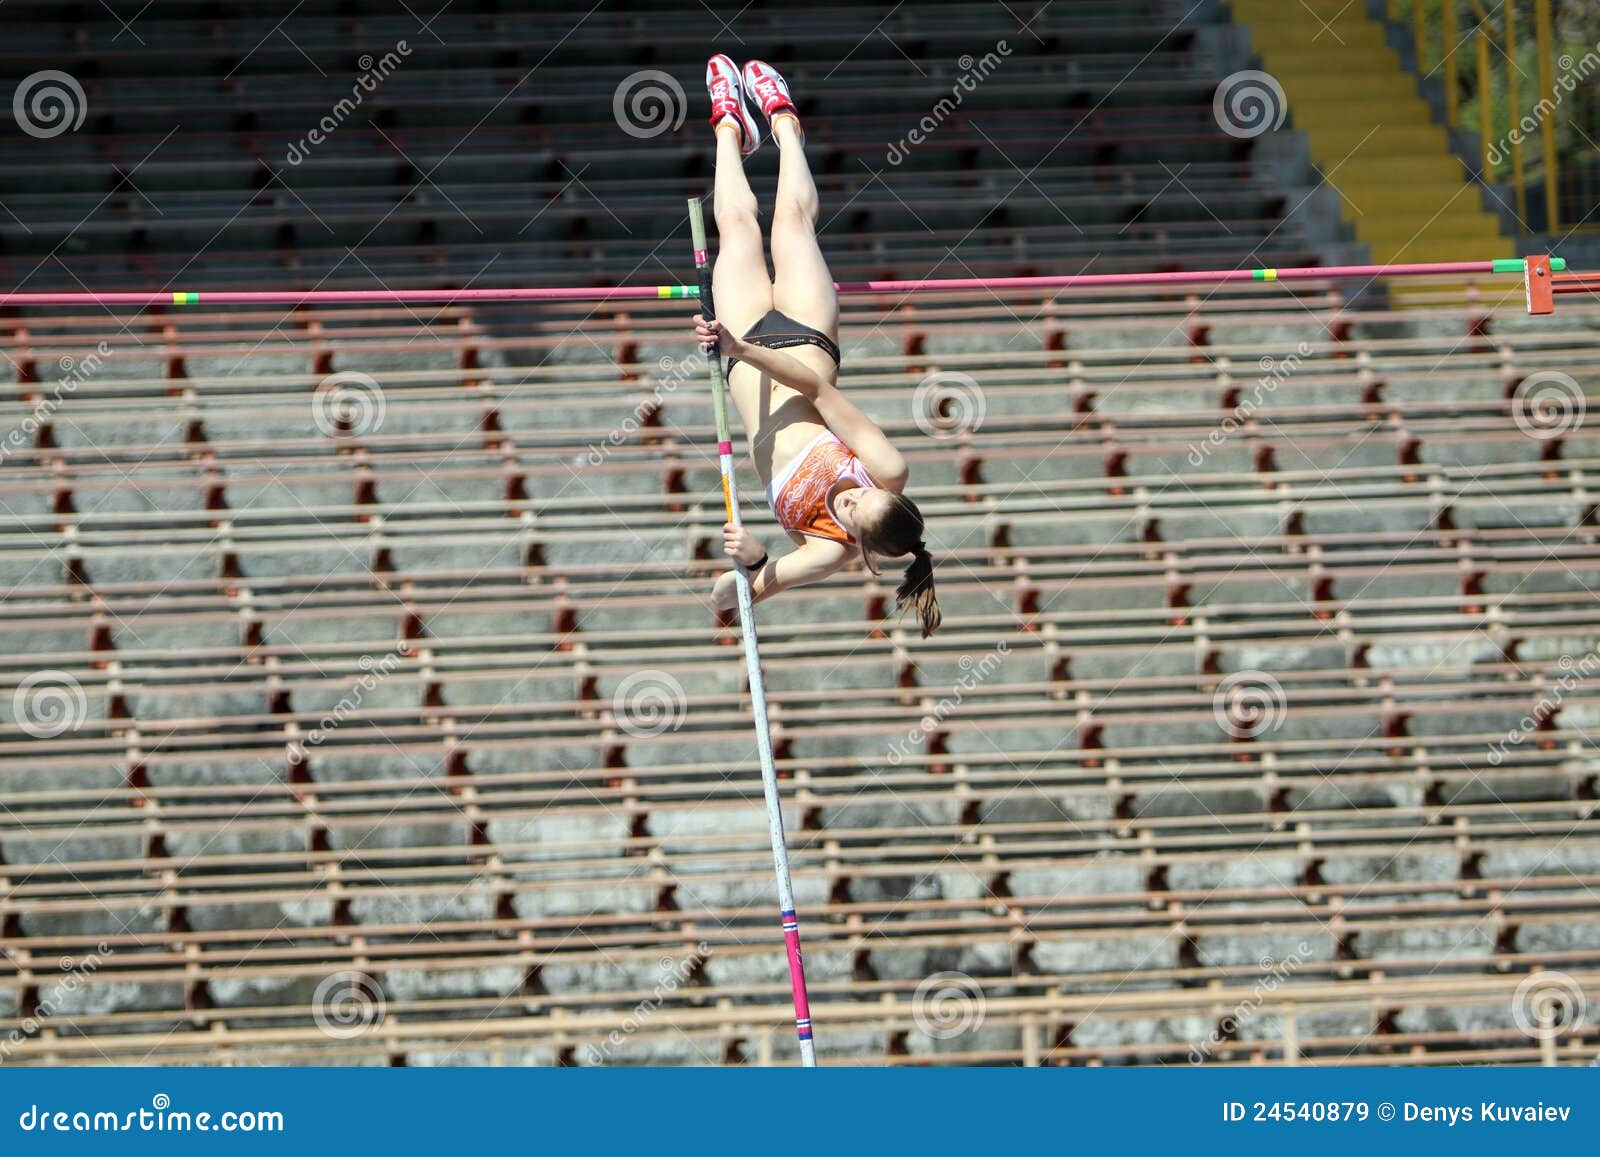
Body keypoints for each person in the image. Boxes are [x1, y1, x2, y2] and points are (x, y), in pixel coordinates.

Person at [695, 55, 941, 637]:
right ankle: (782, 120)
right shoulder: (886, 469)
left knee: (734, 222)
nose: (852, 498)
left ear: (864, 547)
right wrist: (737, 345)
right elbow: (816, 389)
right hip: (802, 344)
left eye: (855, 511)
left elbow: (732, 600)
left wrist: (753, 560)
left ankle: (727, 122)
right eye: (866, 497)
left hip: (745, 361)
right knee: (792, 224)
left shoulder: (826, 553)